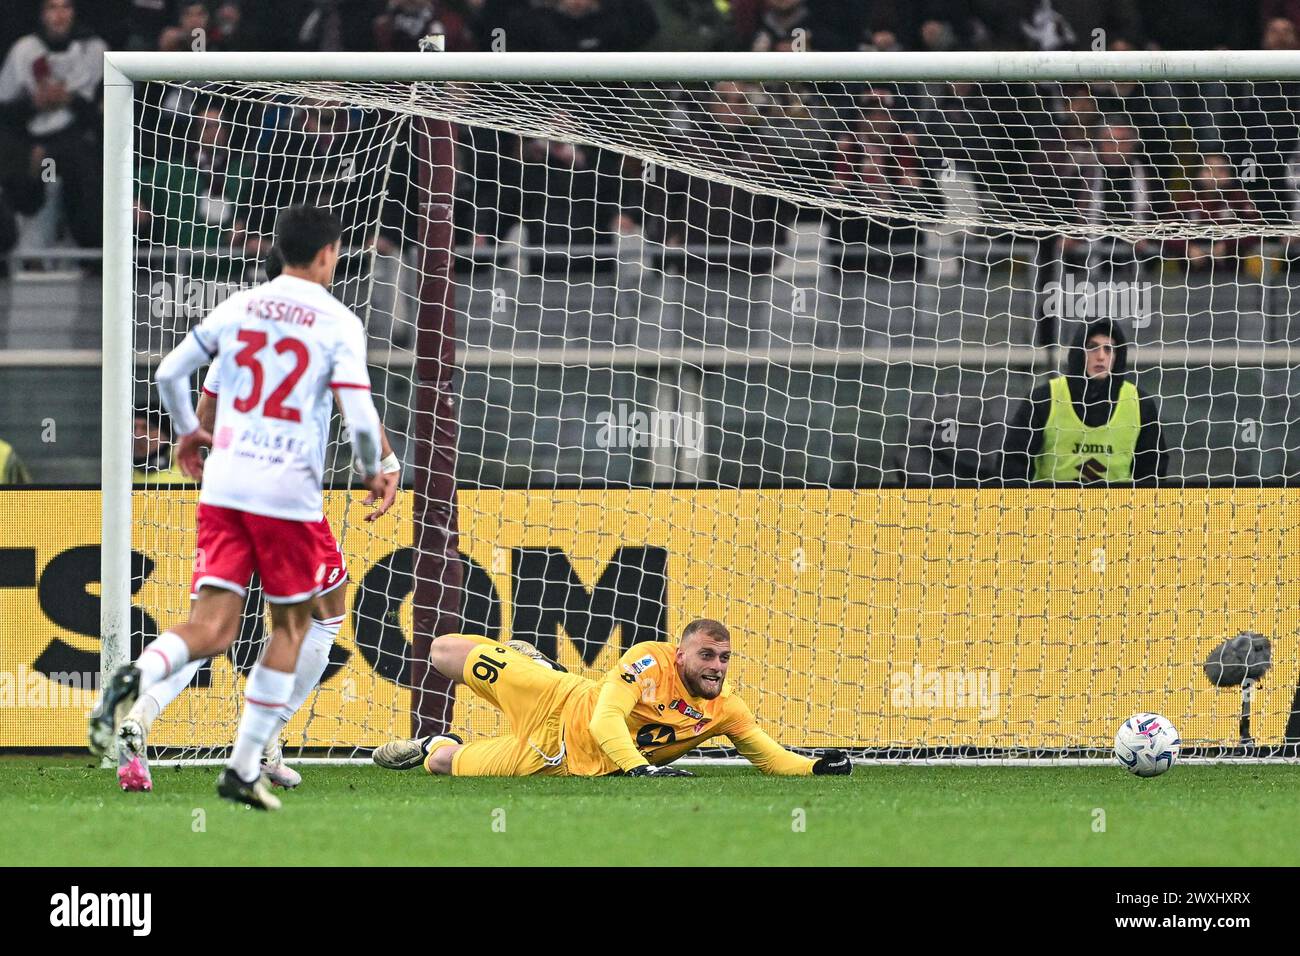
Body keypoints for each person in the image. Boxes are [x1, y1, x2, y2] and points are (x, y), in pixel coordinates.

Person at [89, 204, 387, 811]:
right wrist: (376, 468)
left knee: (210, 628)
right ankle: (257, 751)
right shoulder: (336, 322)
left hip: (224, 486)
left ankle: (137, 691)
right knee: (306, 621)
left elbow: (178, 380)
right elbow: (357, 415)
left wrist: (188, 438)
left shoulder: (238, 312)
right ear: (329, 253)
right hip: (287, 494)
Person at [373, 618, 853, 779]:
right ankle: (539, 665)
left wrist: (814, 766)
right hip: (558, 700)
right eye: (707, 655)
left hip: (551, 761)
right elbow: (606, 721)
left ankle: (435, 741)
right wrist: (642, 769)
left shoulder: (725, 708)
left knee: (442, 767)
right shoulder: (648, 661)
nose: (717, 667)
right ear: (680, 653)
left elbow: (769, 758)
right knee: (443, 651)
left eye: (724, 658)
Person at [1003, 318, 1167, 485]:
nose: (1101, 356)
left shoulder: (1140, 404)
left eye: (1109, 349)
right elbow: (1013, 463)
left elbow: (1152, 473)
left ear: (1119, 356)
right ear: (1079, 352)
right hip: (1052, 508)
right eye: (1092, 347)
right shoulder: (1043, 399)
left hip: (1118, 509)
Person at [0, 0, 105, 250]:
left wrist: (70, 100)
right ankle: (29, 255)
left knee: (80, 165)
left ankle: (89, 246)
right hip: (31, 141)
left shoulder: (93, 50)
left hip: (77, 140)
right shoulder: (25, 49)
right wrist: (34, 104)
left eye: (65, 7)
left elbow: (102, 111)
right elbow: (5, 110)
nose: (59, 15)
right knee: (33, 166)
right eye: (52, 8)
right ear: (42, 15)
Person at [132, 409, 193, 483]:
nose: (138, 435)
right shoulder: (121, 475)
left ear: (167, 435)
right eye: (133, 428)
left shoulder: (188, 475)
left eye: (148, 428)